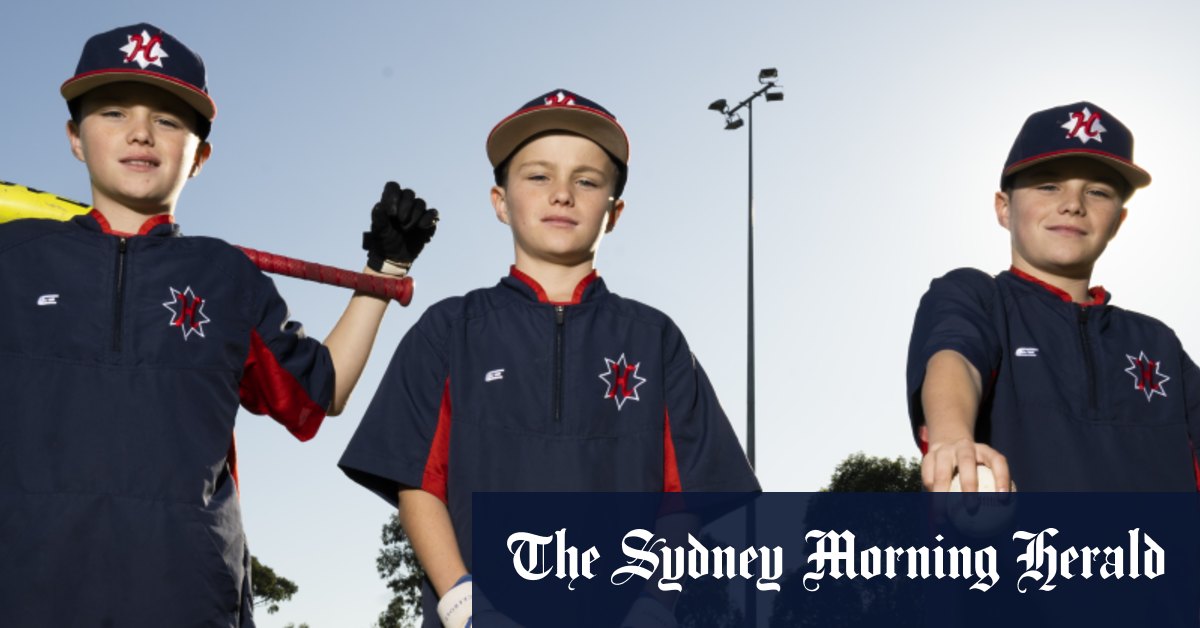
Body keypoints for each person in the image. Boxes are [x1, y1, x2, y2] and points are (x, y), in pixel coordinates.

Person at [0, 23, 436, 626]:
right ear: (75, 138)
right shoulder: (14, 258)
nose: (141, 132)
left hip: (186, 595)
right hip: (28, 588)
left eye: (170, 120)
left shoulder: (224, 275)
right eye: (114, 111)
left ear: (200, 156)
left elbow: (322, 389)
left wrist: (382, 273)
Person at [339, 89, 760, 627]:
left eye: (587, 180)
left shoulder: (656, 338)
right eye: (538, 176)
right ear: (499, 201)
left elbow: (683, 496)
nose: (562, 194)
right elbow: (418, 484)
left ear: (614, 211)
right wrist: (464, 604)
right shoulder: (448, 330)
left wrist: (655, 603)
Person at [907, 101, 1200, 492]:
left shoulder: (1157, 341)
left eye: (1097, 192)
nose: (1073, 205)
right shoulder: (978, 296)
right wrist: (953, 438)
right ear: (1004, 208)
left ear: (1118, 221)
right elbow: (954, 357)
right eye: (1048, 185)